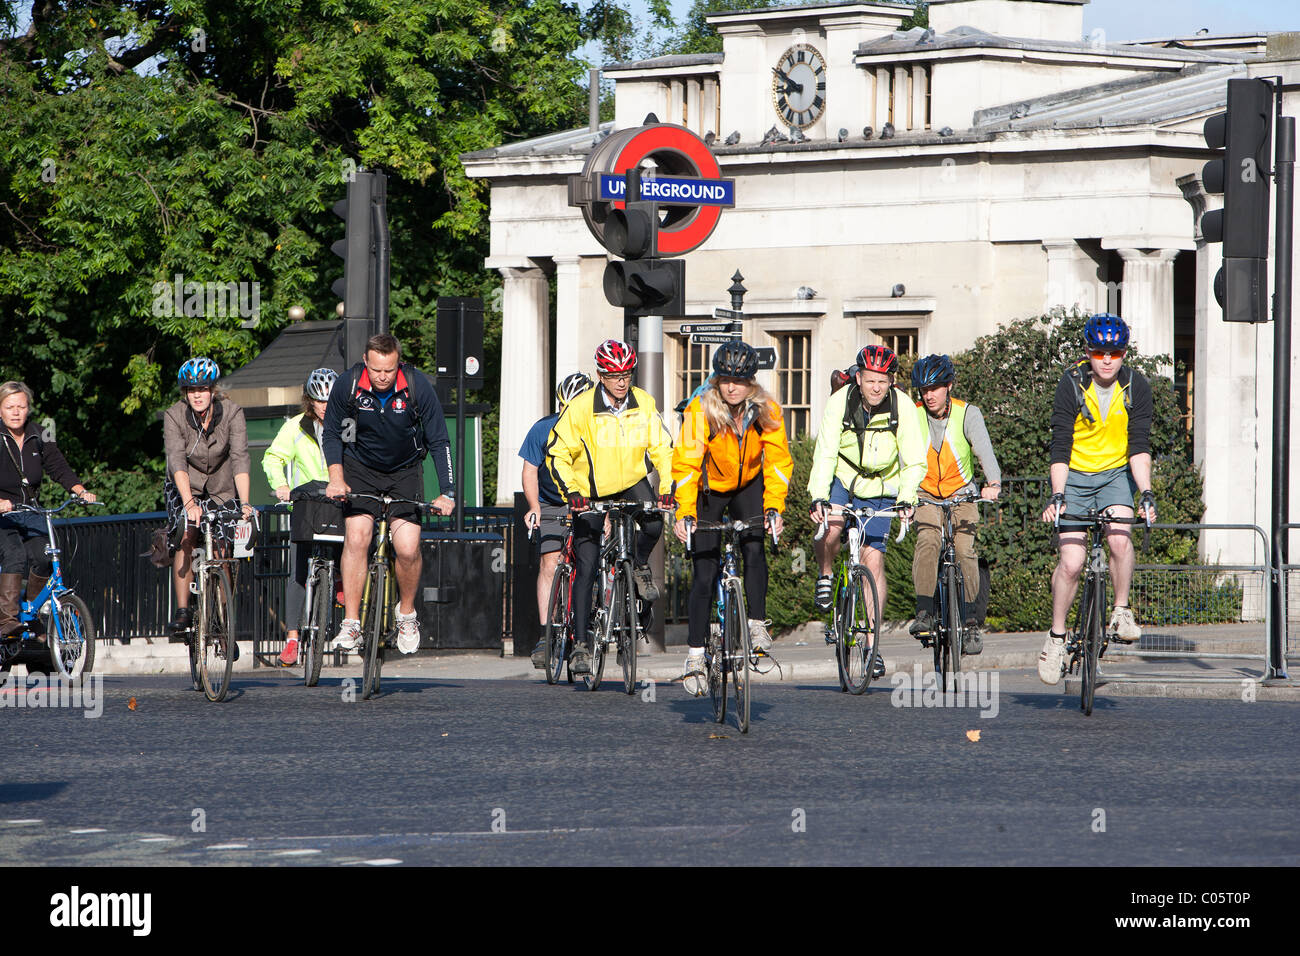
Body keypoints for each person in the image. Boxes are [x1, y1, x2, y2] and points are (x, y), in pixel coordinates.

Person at [1038, 313, 1156, 685]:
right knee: (1072, 562)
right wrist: (1058, 495)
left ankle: (1121, 610)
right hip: (1073, 477)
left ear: (1124, 354)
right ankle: (1057, 638)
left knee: (1120, 537)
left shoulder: (1136, 386)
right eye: (1099, 352)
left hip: (1114, 477)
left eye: (1115, 352)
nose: (1107, 359)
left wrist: (1146, 492)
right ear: (1088, 352)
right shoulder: (1070, 384)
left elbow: (1138, 446)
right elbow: (1060, 445)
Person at [545, 339, 675, 676]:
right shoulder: (582, 408)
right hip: (589, 488)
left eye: (627, 374)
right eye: (614, 375)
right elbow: (557, 453)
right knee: (586, 567)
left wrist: (668, 487)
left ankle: (640, 566)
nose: (622, 381)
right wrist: (573, 491)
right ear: (601, 375)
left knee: (652, 524)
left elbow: (663, 446)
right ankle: (582, 645)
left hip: (631, 479)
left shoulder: (643, 402)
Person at [322, 334, 455, 656]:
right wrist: (336, 478)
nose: (383, 377)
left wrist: (448, 492)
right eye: (377, 370)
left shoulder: (417, 386)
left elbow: (439, 441)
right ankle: (351, 622)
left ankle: (406, 614)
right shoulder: (348, 384)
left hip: (405, 470)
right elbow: (331, 433)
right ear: (366, 362)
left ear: (399, 364)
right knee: (357, 537)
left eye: (389, 370)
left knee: (408, 549)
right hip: (360, 468)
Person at [672, 341, 793, 680]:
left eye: (739, 381)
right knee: (705, 572)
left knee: (754, 548)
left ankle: (756, 624)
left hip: (748, 484)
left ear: (751, 382)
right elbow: (686, 464)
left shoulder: (767, 410)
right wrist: (685, 513)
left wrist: (774, 508)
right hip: (710, 488)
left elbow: (779, 462)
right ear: (717, 380)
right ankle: (695, 655)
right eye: (725, 379)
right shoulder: (701, 410)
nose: (732, 387)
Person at [808, 344, 926, 678]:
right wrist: (819, 496)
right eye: (870, 379)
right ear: (858, 377)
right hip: (844, 478)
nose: (876, 387)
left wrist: (906, 498)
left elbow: (915, 460)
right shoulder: (839, 402)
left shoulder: (902, 407)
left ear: (891, 381)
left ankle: (873, 645)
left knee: (873, 560)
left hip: (881, 486)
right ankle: (827, 574)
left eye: (883, 380)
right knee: (830, 528)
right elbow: (826, 453)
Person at [908, 354, 1002, 655]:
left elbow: (985, 452)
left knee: (964, 549)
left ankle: (972, 621)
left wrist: (993, 484)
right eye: (924, 389)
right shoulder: (914, 414)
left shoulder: (967, 414)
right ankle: (924, 612)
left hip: (962, 494)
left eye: (935, 388)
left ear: (948, 386)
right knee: (928, 540)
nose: (929, 395)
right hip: (925, 495)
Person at [163, 358, 255, 652]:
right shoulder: (174, 415)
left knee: (224, 549)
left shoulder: (232, 413)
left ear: (213, 389)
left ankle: (225, 626)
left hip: (222, 487)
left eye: (203, 388)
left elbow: (240, 458)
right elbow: (176, 459)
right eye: (191, 390)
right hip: (183, 486)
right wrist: (188, 502)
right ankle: (182, 611)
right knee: (187, 536)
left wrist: (245, 503)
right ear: (185, 392)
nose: (197, 395)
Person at [0, 381, 96, 638]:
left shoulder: (40, 434)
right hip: (2, 517)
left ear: (28, 408)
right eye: (10, 407)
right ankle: (7, 620)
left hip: (30, 512)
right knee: (14, 555)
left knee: (45, 555)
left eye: (21, 406)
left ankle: (31, 612)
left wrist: (79, 490)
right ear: (0, 410)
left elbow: (58, 467)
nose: (16, 412)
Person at [262, 368, 339, 667]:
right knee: (297, 568)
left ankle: (342, 594)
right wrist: (280, 484)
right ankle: (292, 638)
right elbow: (273, 457)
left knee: (354, 549)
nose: (324, 407)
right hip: (306, 504)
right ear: (309, 400)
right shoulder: (296, 426)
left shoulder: (348, 425)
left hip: (338, 502)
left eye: (330, 401)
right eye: (319, 401)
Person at [523, 371, 595, 668]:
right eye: (564, 407)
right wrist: (533, 507)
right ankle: (546, 632)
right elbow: (529, 471)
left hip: (589, 501)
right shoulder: (542, 429)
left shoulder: (596, 430)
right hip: (553, 502)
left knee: (589, 563)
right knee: (549, 562)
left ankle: (585, 631)